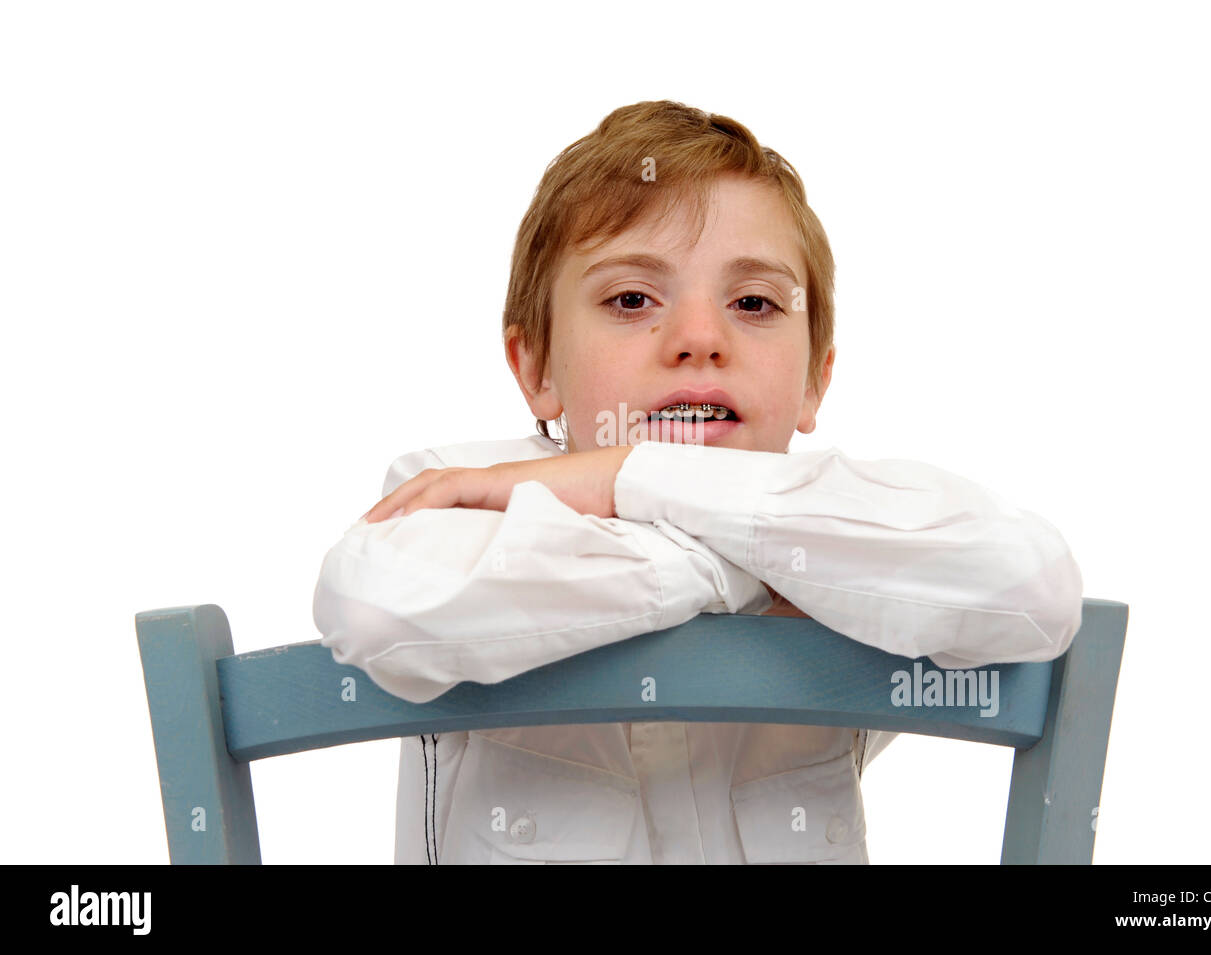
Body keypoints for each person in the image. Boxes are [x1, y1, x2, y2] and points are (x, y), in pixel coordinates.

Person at [312, 100, 1084, 864]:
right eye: (631, 299)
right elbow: (381, 609)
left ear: (815, 378)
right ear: (535, 366)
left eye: (753, 302)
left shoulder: (840, 524)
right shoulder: (467, 494)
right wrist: (741, 563)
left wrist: (632, 473)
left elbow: (1032, 586)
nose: (699, 339)